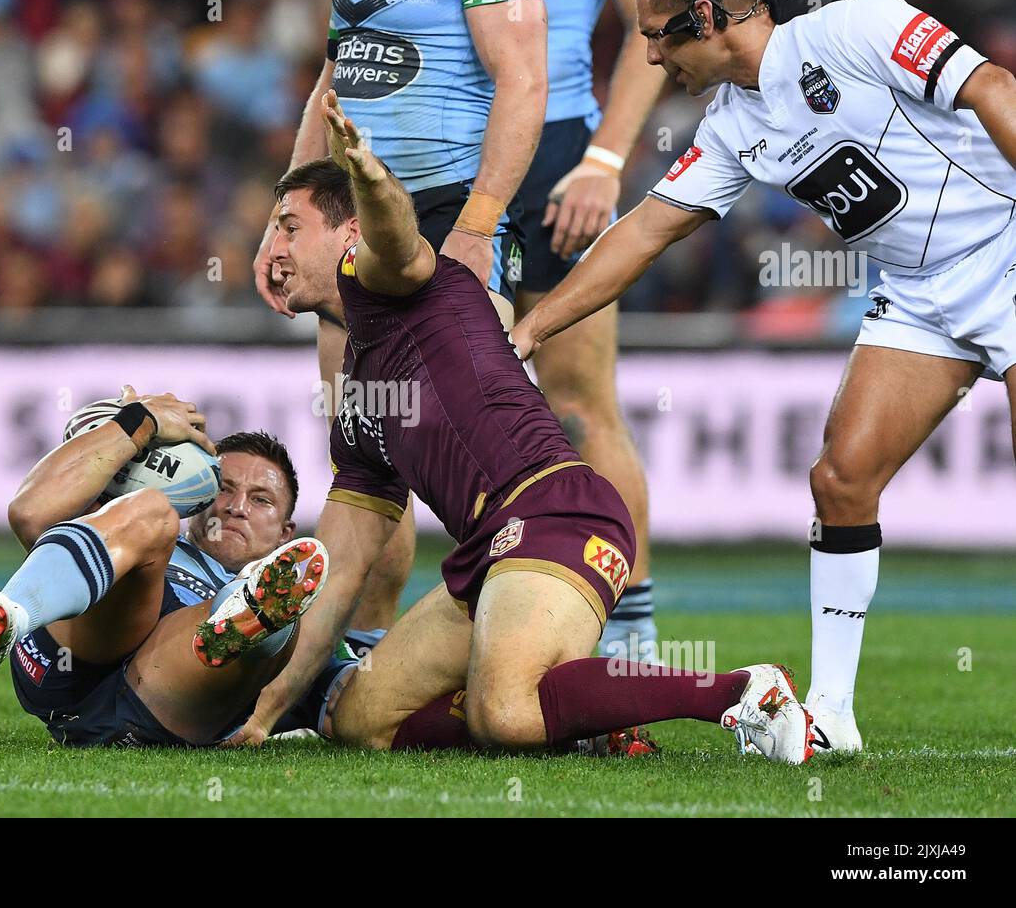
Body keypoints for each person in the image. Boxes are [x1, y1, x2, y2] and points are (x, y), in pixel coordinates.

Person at [227, 93, 815, 765]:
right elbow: (338, 576)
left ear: (348, 234)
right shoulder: (359, 407)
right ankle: (583, 720)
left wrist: (369, 173)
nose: (271, 248)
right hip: (490, 553)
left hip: (561, 514)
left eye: (289, 226)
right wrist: (264, 714)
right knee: (360, 719)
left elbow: (396, 236)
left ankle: (742, 690)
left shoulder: (400, 282)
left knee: (503, 710)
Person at [510, 0, 1016, 752]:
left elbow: (996, 88)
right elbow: (642, 232)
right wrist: (531, 329)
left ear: (708, 16)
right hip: (919, 294)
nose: (649, 56)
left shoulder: (861, 23)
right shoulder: (732, 125)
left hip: (1007, 250)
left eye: (660, 39)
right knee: (841, 481)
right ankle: (834, 715)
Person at [251, 0, 549, 631]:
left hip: (454, 207)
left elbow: (523, 81)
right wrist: (285, 222)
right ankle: (360, 653)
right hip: (353, 218)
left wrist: (478, 222)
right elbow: (333, 84)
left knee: (487, 446)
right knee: (364, 459)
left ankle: (539, 645)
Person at [0, 386, 329, 748]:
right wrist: (137, 421)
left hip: (166, 691)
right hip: (75, 657)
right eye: (225, 488)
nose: (236, 507)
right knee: (152, 511)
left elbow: (352, 709)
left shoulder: (294, 597)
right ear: (201, 495)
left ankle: (243, 613)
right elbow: (29, 514)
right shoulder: (140, 528)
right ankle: (8, 618)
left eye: (261, 500)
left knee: (286, 625)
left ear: (286, 532)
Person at [517, 0, 670, 660]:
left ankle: (631, 635)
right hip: (446, 156)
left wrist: (604, 161)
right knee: (411, 411)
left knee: (580, 405)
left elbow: (655, 20)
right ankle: (367, 643)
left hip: (554, 153)